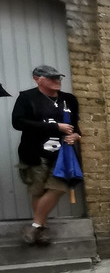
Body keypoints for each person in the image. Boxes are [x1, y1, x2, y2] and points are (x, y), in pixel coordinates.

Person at [10, 65, 81, 246]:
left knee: (59, 187)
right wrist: (55, 127)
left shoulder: (69, 99)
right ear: (37, 79)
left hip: (62, 155)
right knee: (38, 191)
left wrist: (75, 135)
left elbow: (75, 125)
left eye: (58, 78)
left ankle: (34, 226)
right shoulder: (27, 98)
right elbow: (18, 123)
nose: (57, 81)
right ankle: (41, 231)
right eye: (51, 78)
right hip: (35, 153)